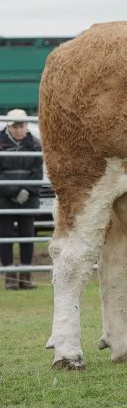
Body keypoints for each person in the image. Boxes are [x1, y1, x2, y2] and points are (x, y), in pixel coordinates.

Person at [0, 109, 42, 290]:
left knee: (28, 235)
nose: (19, 130)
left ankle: (26, 275)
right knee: (5, 235)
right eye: (15, 126)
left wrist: (27, 190)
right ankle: (9, 275)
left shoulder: (35, 144)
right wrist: (12, 191)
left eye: (22, 126)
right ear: (9, 126)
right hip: (4, 198)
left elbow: (38, 171)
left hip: (28, 199)